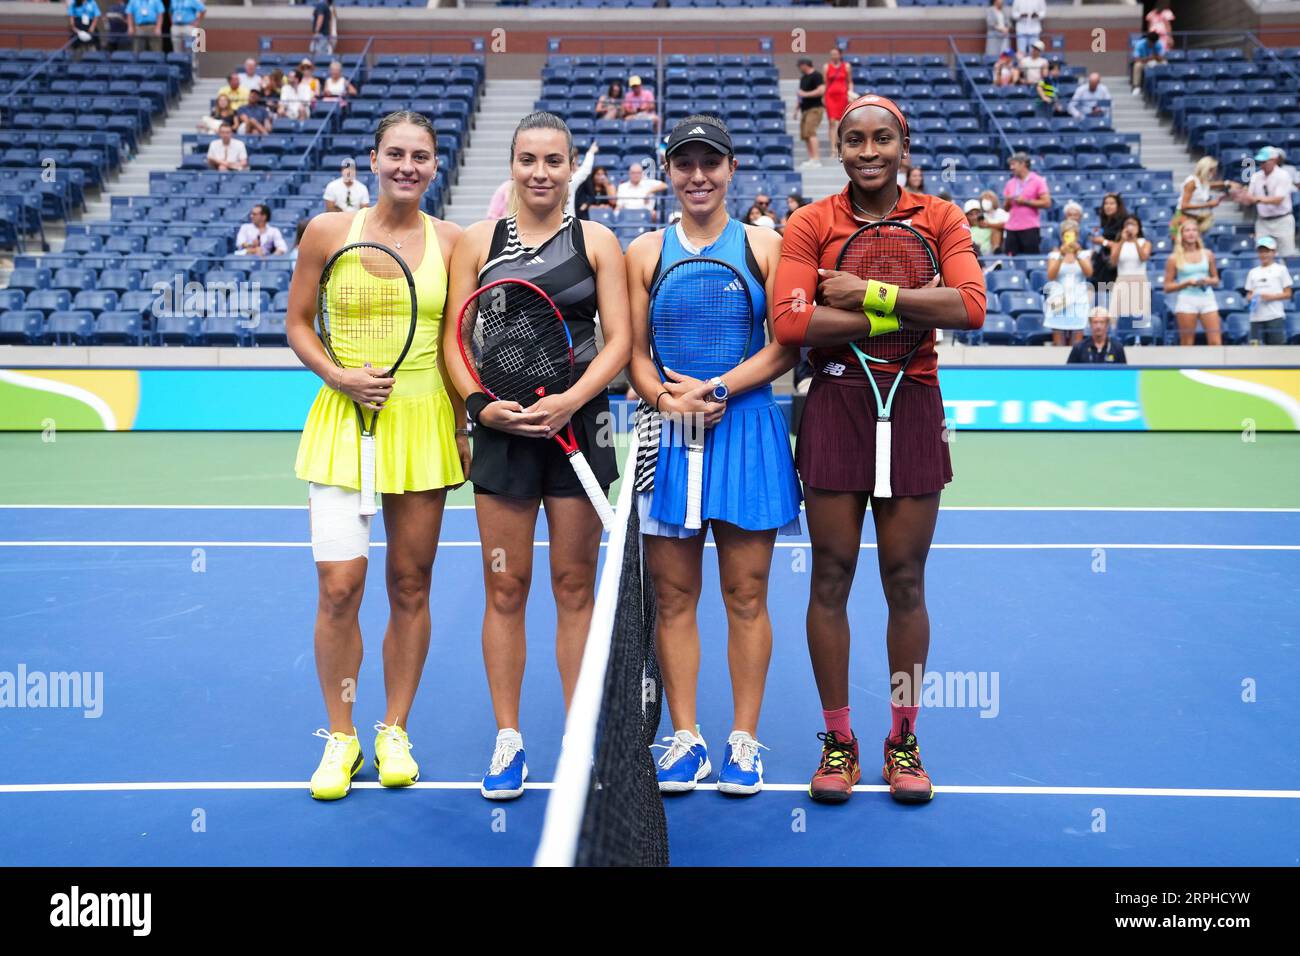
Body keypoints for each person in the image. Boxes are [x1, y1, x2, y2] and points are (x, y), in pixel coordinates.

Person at [772, 94, 986, 805]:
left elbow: (970, 307)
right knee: (829, 576)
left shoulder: (942, 217)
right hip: (836, 405)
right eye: (855, 140)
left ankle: (903, 738)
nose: (869, 151)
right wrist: (912, 300)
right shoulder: (811, 221)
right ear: (840, 147)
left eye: (882, 139)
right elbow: (792, 323)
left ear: (903, 144)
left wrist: (868, 295)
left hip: (914, 405)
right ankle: (839, 741)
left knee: (904, 580)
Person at [441, 111, 632, 801]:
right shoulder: (476, 240)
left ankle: (580, 740)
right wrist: (477, 408)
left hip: (579, 428)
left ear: (571, 165)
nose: (540, 173)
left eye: (554, 161)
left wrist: (571, 399)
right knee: (505, 586)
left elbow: (618, 339)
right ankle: (509, 740)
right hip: (501, 428)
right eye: (528, 160)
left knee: (574, 587)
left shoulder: (599, 240)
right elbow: (453, 340)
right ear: (512, 163)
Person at [287, 110, 467, 801]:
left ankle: (394, 728)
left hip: (421, 425)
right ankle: (341, 736)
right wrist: (339, 375)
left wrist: (460, 428)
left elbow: (455, 344)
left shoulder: (451, 242)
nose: (408, 166)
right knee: (339, 588)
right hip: (342, 421)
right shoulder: (327, 231)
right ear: (372, 158)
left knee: (410, 586)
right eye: (396, 153)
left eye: (421, 156)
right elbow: (299, 323)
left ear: (434, 164)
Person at [623, 115, 801, 796]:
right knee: (673, 597)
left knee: (746, 594)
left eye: (711, 164)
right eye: (684, 164)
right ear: (668, 171)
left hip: (748, 431)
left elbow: (786, 344)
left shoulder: (764, 244)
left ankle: (744, 741)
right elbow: (635, 355)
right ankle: (687, 737)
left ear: (731, 169)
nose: (698, 177)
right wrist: (665, 400)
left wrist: (720, 386)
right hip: (669, 436)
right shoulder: (645, 251)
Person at [1163, 218, 1222, 345]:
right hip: (1186, 300)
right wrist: (1186, 283)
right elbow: (1167, 287)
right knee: (1187, 342)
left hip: (1207, 298)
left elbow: (1216, 280)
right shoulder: (1173, 258)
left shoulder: (1208, 254)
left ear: (1198, 234)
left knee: (1216, 341)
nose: (1191, 233)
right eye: (1187, 230)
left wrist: (1208, 280)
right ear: (1182, 235)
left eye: (1194, 230)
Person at [1241, 146, 1296, 258]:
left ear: (1274, 160)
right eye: (1260, 162)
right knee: (1262, 255)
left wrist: (1256, 199)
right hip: (1263, 222)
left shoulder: (1283, 175)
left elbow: (1278, 200)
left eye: (1264, 162)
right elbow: (1249, 199)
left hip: (1282, 221)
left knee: (1287, 255)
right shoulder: (1256, 177)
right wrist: (1242, 196)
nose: (1262, 164)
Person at [1043, 231, 1092, 346]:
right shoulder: (1054, 255)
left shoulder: (1084, 254)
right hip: (1058, 300)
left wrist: (1078, 254)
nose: (1069, 239)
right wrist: (1061, 255)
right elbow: (1051, 276)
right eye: (1066, 235)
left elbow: (1089, 273)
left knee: (1076, 345)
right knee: (1058, 344)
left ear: (1077, 237)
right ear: (1062, 237)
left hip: (1078, 301)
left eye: (1072, 235)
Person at [1244, 237, 1293, 345]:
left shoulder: (1281, 270)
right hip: (1256, 318)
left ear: (1274, 252)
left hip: (1274, 316)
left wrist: (1271, 297)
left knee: (1276, 351)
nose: (1264, 254)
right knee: (1255, 350)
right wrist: (1250, 298)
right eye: (1261, 251)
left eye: (1267, 251)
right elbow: (1249, 293)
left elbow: (1288, 293)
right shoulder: (1253, 272)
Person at [1103, 214, 1152, 322]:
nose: (1130, 227)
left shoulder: (1145, 243)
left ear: (1138, 227)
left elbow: (1143, 257)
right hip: (1122, 280)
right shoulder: (1117, 244)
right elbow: (1113, 262)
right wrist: (1122, 241)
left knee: (1140, 314)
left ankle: (1139, 338)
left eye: (1133, 224)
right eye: (1127, 224)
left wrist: (1134, 240)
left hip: (1140, 280)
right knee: (1115, 314)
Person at [1002, 151, 1050, 255]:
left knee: (1030, 260)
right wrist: (1008, 201)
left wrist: (1026, 202)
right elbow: (1005, 209)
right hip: (1011, 228)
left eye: (1013, 164)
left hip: (1030, 228)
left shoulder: (1038, 180)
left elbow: (1047, 203)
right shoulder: (1010, 183)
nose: (1011, 168)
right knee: (1010, 260)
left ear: (1023, 164)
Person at [1171, 157, 1225, 239]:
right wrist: (1208, 204)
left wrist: (1227, 183)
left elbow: (1213, 185)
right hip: (1184, 218)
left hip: (1196, 219)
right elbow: (1184, 206)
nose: (1214, 173)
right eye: (1212, 170)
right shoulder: (1191, 182)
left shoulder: (1203, 182)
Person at [795, 58, 826, 168]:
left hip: (815, 108)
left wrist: (805, 94)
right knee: (806, 134)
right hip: (805, 109)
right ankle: (811, 158)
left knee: (811, 132)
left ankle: (817, 159)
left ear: (805, 65)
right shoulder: (803, 78)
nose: (799, 68)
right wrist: (796, 109)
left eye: (800, 66)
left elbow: (821, 90)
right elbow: (800, 95)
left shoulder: (817, 75)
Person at [823, 47, 852, 160]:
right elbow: (825, 83)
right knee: (831, 122)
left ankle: (842, 148)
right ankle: (833, 149)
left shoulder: (846, 66)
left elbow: (849, 81)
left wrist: (850, 93)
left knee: (842, 123)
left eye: (835, 54)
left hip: (843, 96)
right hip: (830, 96)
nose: (834, 56)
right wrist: (823, 97)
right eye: (832, 54)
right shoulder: (826, 67)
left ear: (840, 55)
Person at [565, 141, 599, 219]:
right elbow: (586, 170)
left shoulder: (571, 181)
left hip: (577, 214)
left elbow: (591, 194)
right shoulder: (566, 181)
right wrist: (590, 152)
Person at [168, 0, 204, 68]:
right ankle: (178, 68)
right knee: (176, 49)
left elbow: (203, 10)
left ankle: (191, 68)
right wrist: (172, 21)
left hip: (188, 26)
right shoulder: (173, 1)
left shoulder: (192, 1)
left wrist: (197, 22)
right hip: (176, 26)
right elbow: (170, 11)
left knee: (190, 49)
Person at [1130, 31, 1165, 96]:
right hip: (1144, 63)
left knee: (1165, 63)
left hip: (1155, 62)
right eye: (1150, 42)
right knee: (1137, 65)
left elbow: (1162, 58)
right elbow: (1136, 59)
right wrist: (1148, 58)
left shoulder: (1159, 44)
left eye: (1153, 43)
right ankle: (1137, 87)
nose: (1151, 44)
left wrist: (1155, 56)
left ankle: (1163, 84)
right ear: (1147, 40)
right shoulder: (1140, 44)